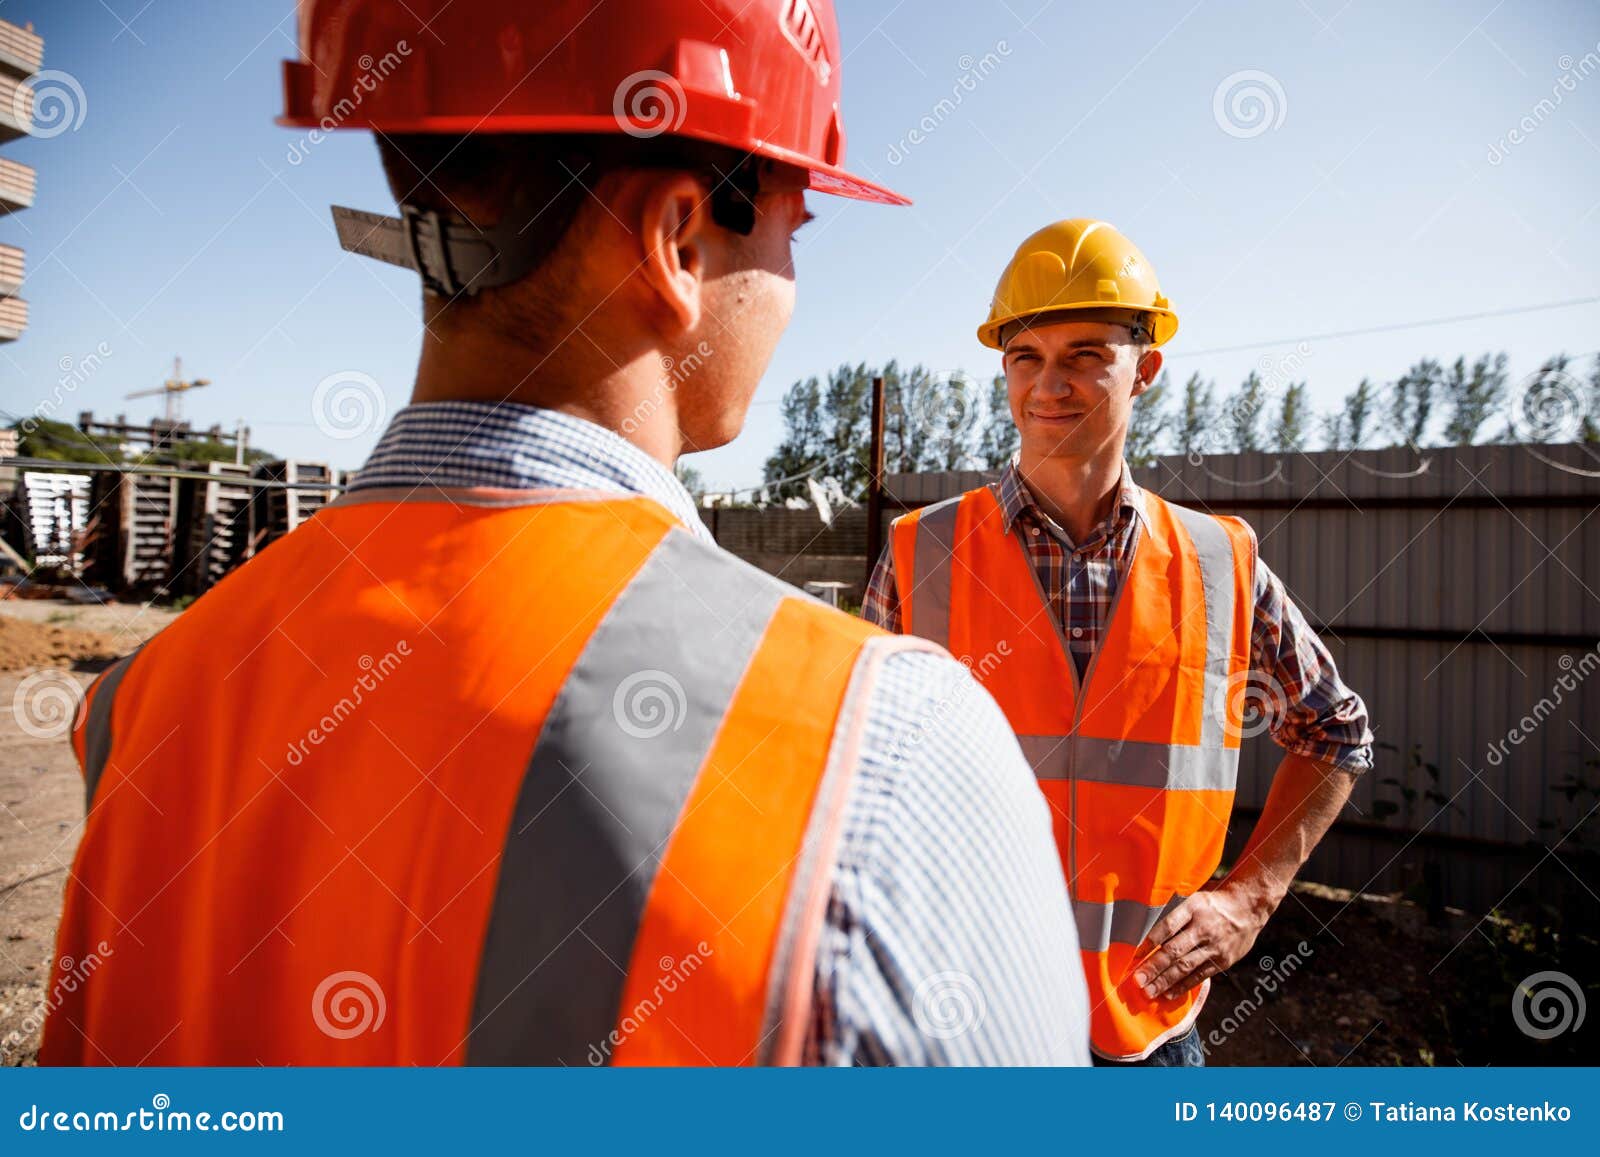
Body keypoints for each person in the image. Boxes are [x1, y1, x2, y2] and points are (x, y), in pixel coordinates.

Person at [41, 0, 1089, 1067]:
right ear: (679, 241)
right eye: (791, 225)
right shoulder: (881, 748)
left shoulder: (147, 695)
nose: (788, 286)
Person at [864, 218, 1373, 1066]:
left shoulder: (1219, 562)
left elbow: (1337, 731)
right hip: (959, 1027)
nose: (1049, 384)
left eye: (1087, 354)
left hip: (1146, 1035)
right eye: (1026, 356)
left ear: (1147, 370)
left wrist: (1251, 897)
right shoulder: (924, 552)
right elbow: (851, 776)